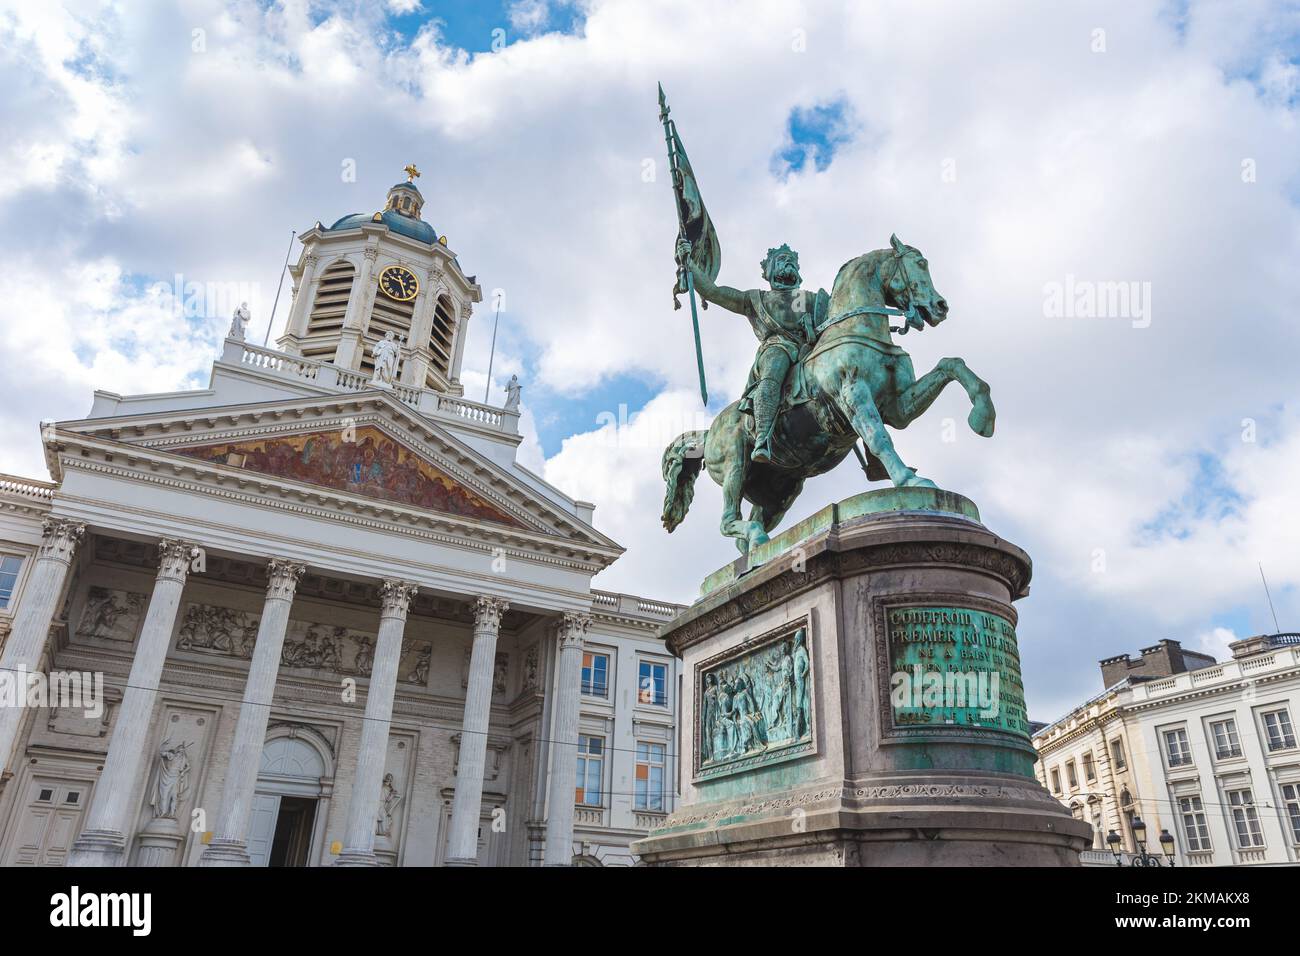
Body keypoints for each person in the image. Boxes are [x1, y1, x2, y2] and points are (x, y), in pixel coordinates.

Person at [677, 238, 825, 463]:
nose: (790, 264)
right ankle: (763, 437)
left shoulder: (812, 299)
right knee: (774, 368)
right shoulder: (755, 299)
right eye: (783, 260)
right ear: (771, 270)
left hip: (811, 349)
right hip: (778, 348)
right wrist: (691, 263)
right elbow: (713, 291)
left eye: (792, 261)